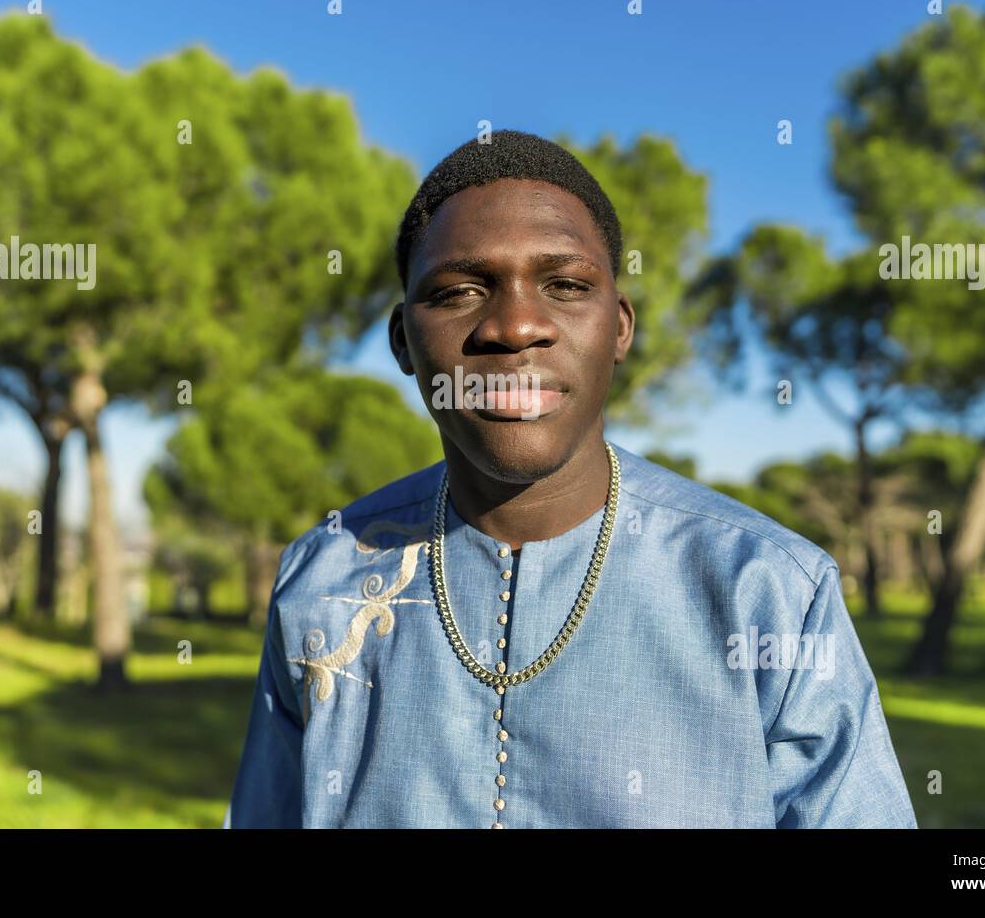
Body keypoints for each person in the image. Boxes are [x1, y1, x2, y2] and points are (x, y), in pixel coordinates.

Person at [225, 130, 917, 828]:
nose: (516, 325)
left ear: (619, 329)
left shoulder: (767, 591)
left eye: (565, 286)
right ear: (404, 340)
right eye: (459, 290)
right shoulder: (324, 577)